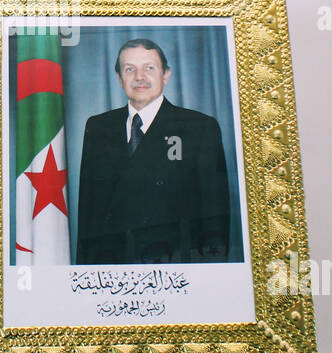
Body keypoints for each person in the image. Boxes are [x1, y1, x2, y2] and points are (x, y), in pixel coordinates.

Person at [75, 38, 235, 265]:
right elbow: (88, 212)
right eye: (129, 69)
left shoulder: (199, 127)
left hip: (174, 264)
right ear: (119, 78)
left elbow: (214, 215)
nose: (139, 77)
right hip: (111, 266)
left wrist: (209, 277)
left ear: (166, 75)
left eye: (149, 68)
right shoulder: (99, 126)